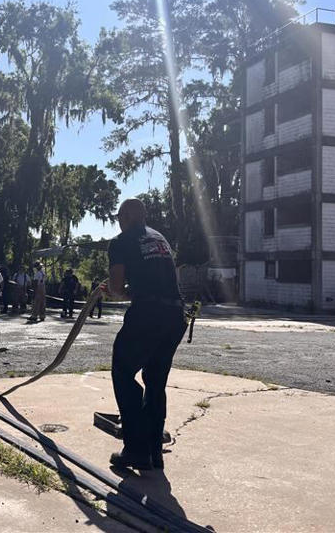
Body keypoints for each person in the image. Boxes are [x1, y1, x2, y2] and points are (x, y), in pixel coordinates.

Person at [105, 198, 186, 471]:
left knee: (122, 371)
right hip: (175, 316)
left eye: (119, 217)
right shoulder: (160, 238)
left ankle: (136, 449)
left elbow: (116, 287)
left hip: (147, 314)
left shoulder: (120, 241)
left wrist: (117, 291)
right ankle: (153, 452)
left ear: (124, 217)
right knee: (155, 381)